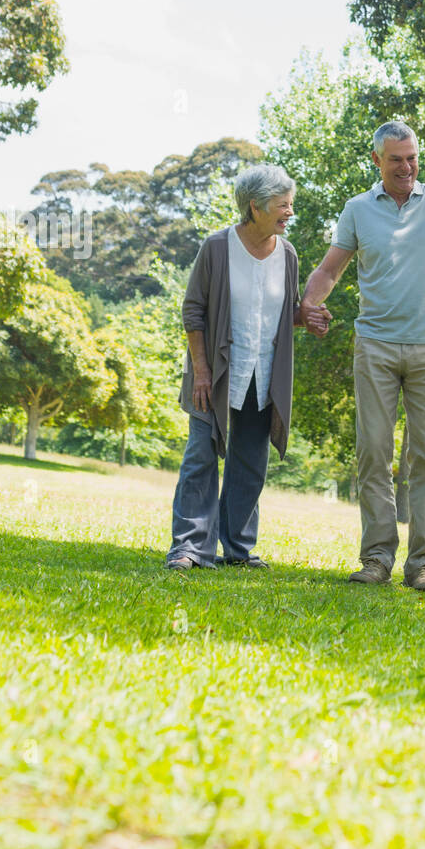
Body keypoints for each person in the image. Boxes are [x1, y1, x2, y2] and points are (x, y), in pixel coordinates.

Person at [299, 121, 425, 594]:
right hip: (374, 343)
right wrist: (309, 304)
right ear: (377, 161)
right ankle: (376, 558)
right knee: (373, 452)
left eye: (412, 157)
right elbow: (330, 269)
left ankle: (424, 564)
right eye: (396, 159)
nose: (407, 167)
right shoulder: (356, 210)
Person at [166, 164, 327, 571]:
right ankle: (189, 548)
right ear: (254, 206)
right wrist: (200, 370)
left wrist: (304, 317)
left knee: (250, 464)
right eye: (282, 205)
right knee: (201, 458)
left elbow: (278, 314)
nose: (289, 212)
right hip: (216, 373)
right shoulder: (217, 247)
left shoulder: (287, 254)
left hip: (263, 373)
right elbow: (194, 310)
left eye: (291, 204)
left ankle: (237, 548)